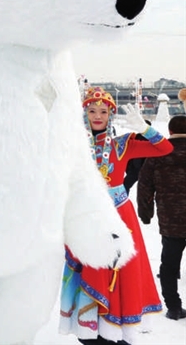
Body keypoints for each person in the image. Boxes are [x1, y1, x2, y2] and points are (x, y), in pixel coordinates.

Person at [59, 87, 173, 345]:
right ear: (84, 113)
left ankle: (116, 325)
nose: (97, 116)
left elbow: (164, 148)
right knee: (90, 267)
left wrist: (145, 129)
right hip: (86, 216)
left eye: (103, 111)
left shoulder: (123, 144)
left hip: (119, 217)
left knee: (120, 272)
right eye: (92, 110)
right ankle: (89, 324)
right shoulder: (75, 146)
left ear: (110, 114)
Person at [137, 115, 186, 321]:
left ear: (170, 131)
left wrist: (145, 213)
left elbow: (144, 185)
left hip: (171, 220)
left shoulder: (158, 153)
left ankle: (173, 307)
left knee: (169, 264)